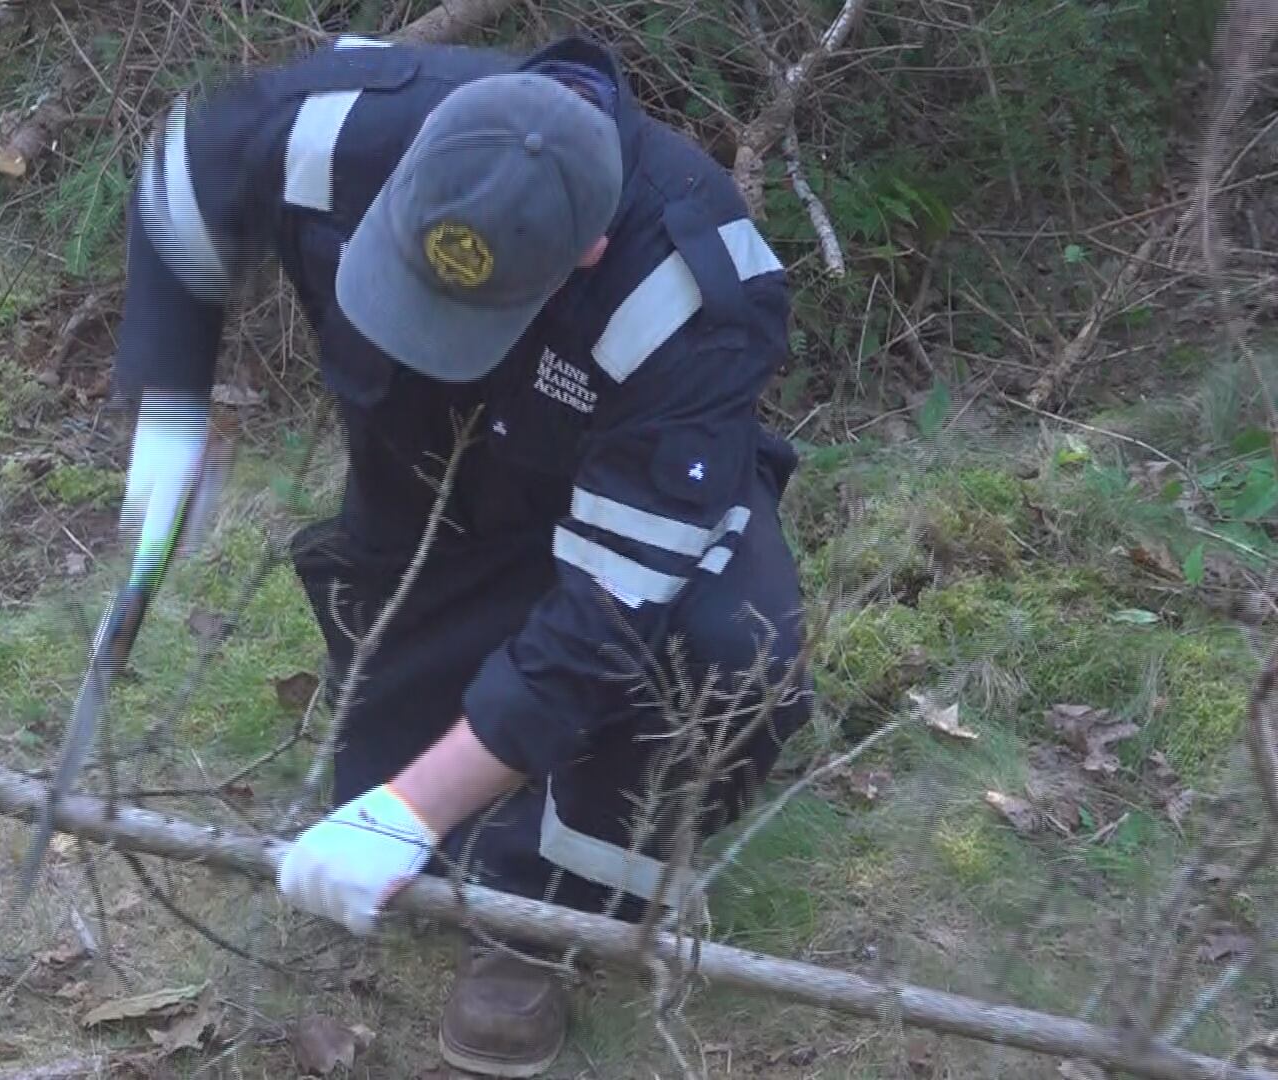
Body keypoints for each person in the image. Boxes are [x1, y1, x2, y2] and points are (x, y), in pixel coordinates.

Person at [109, 31, 811, 1078]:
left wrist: (409, 811)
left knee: (727, 650)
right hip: (422, 490)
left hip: (606, 514)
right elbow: (179, 183)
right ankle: (441, 754)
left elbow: (609, 614)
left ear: (583, 253)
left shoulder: (693, 288)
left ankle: (540, 925)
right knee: (405, 793)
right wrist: (171, 403)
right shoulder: (344, 123)